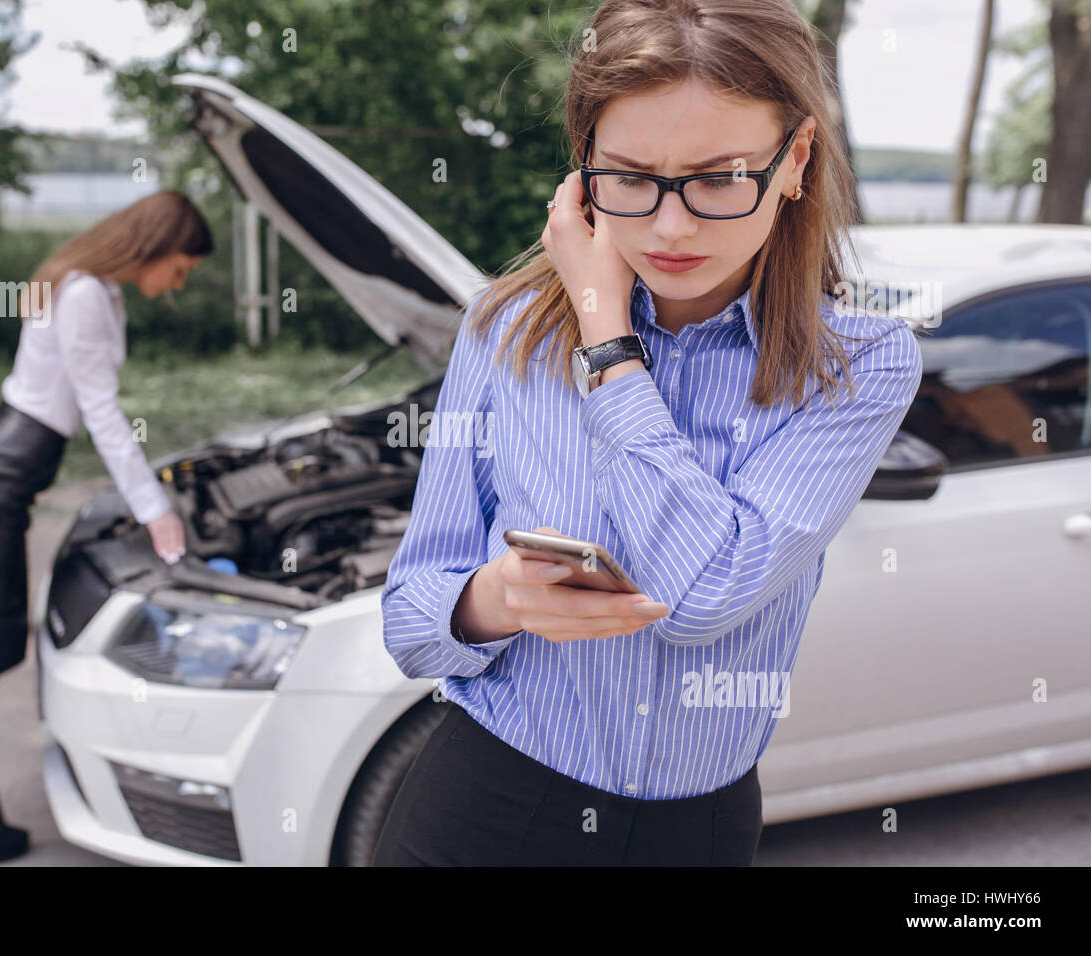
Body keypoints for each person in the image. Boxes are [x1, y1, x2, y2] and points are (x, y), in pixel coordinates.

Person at [372, 0, 923, 866]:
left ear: (796, 162)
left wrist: (605, 339)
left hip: (693, 833)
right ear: (581, 166)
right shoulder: (501, 329)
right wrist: (497, 599)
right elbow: (409, 617)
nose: (670, 227)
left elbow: (699, 597)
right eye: (627, 177)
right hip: (482, 805)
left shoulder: (860, 365)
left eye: (718, 178)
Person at [0, 189, 213, 862]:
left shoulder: (99, 290)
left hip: (0, 479)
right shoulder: (82, 293)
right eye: (181, 266)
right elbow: (102, 415)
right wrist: (156, 511)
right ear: (155, 245)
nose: (178, 282)